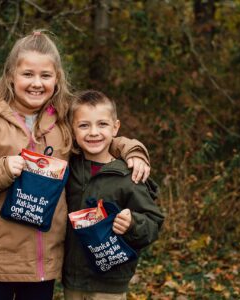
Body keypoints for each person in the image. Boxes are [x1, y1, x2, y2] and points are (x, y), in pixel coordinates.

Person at [0, 32, 150, 300]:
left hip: (44, 263)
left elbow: (97, 137)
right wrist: (2, 170)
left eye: (45, 75)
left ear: (57, 79)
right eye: (28, 74)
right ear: (10, 76)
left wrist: (132, 150)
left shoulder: (64, 119)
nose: (36, 83)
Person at [63, 90, 165, 300]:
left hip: (110, 283)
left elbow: (153, 223)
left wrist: (133, 224)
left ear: (115, 127)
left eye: (102, 124)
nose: (93, 132)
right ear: (72, 130)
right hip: (73, 279)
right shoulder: (68, 168)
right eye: (84, 125)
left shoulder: (129, 175)